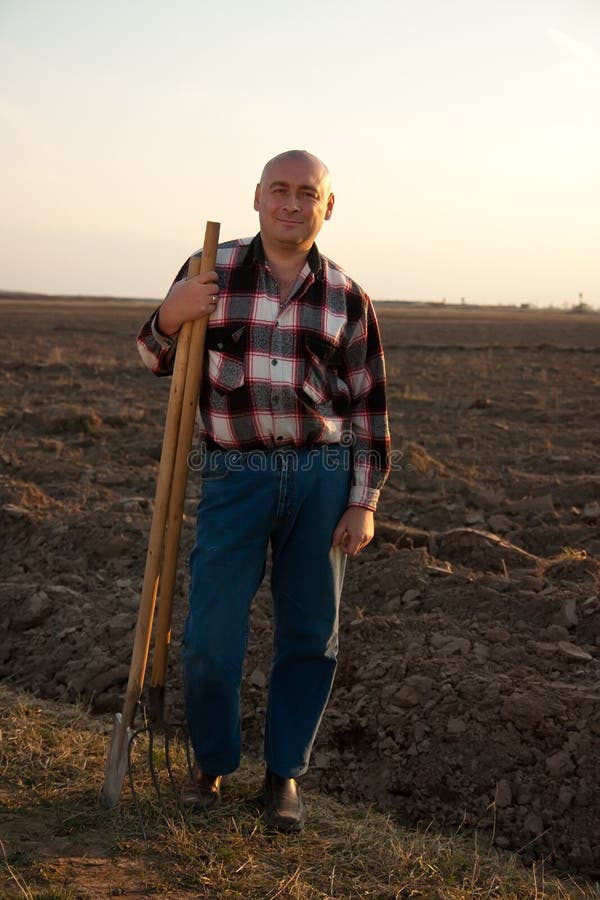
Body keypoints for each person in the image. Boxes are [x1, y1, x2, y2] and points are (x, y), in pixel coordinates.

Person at [136, 150, 390, 832]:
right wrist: (169, 314)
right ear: (256, 197)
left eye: (307, 193)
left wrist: (363, 501)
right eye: (279, 190)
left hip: (321, 477)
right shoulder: (208, 270)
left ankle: (283, 779)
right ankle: (211, 765)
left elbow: (368, 408)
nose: (291, 203)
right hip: (235, 475)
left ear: (326, 207)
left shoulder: (347, 297)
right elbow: (153, 356)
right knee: (210, 637)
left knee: (310, 634)